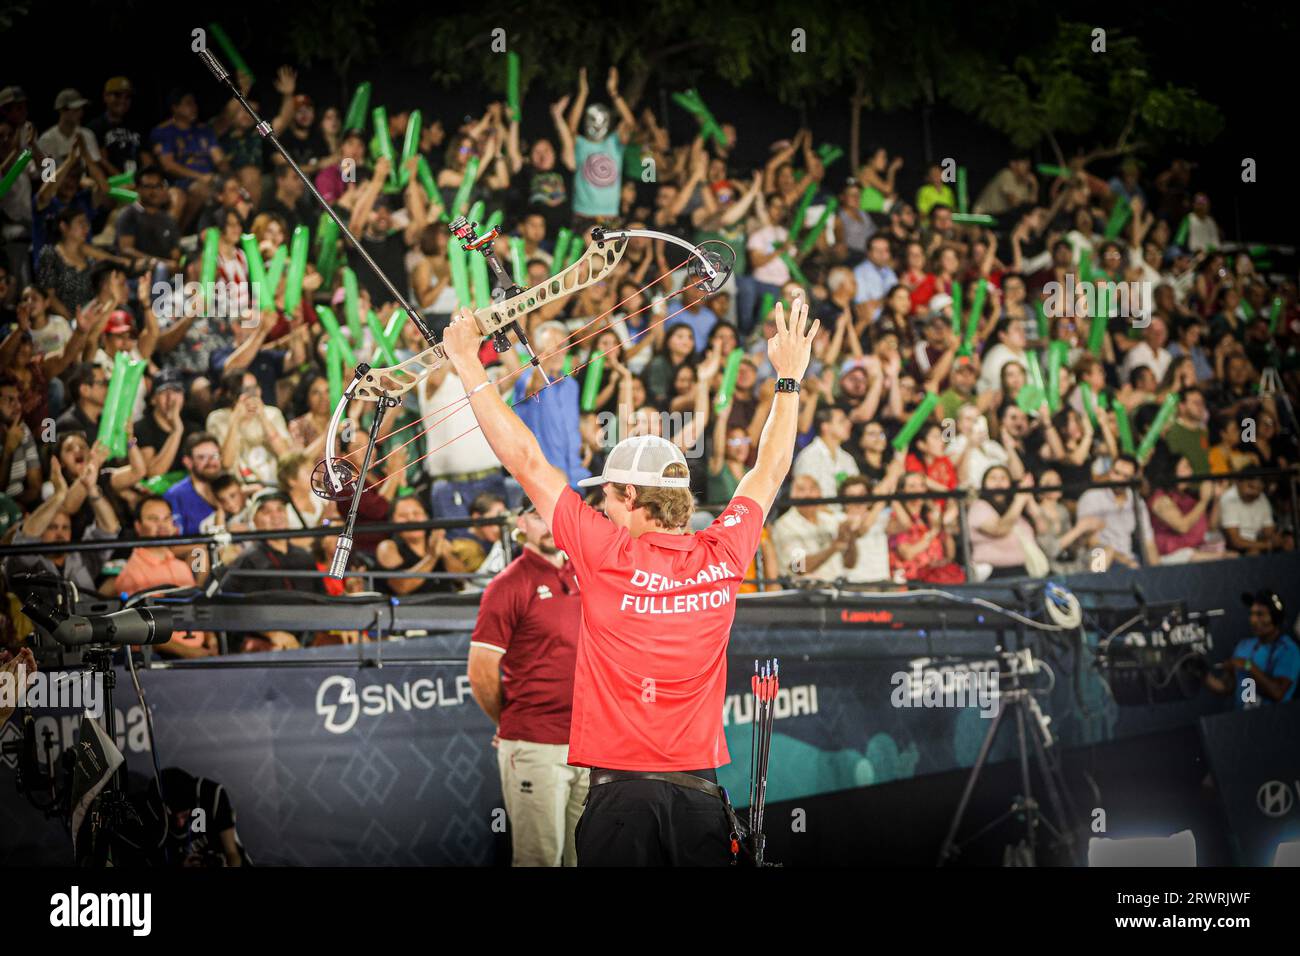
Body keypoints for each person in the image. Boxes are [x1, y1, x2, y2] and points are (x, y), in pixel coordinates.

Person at [440, 296, 817, 866]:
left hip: (620, 802)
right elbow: (769, 470)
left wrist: (468, 365)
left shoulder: (604, 552)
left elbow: (526, 461)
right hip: (699, 802)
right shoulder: (723, 549)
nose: (603, 505)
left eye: (609, 495)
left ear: (632, 496)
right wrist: (788, 379)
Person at [467, 497, 586, 866]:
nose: (549, 524)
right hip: (535, 746)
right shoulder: (507, 585)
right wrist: (509, 723)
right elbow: (481, 670)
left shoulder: (584, 572)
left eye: (555, 514)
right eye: (538, 516)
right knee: (539, 859)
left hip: (589, 746)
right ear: (521, 522)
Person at [109, 496, 216, 657]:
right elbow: (143, 632)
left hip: (198, 654)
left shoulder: (180, 566)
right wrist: (190, 652)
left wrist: (212, 640)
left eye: (166, 518)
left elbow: (196, 608)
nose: (162, 525)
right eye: (153, 519)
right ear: (138, 526)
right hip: (162, 661)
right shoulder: (132, 573)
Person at [1204, 591, 1298, 706]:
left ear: (1276, 618)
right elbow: (1227, 687)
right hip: (1242, 720)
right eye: (1252, 614)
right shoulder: (1244, 645)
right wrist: (1204, 674)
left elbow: (1277, 693)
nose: (1253, 620)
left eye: (1260, 614)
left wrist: (1247, 665)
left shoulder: (1288, 650)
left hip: (1273, 721)